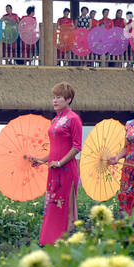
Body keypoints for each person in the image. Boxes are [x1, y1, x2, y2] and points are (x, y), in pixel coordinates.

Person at [30, 83, 83, 245]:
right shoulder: (55, 119)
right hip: (53, 168)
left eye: (59, 97)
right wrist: (41, 160)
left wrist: (60, 162)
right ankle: (49, 241)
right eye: (54, 97)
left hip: (66, 169)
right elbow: (55, 148)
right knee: (52, 204)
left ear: (68, 99)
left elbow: (76, 147)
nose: (55, 101)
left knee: (65, 204)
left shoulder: (74, 119)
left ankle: (67, 241)